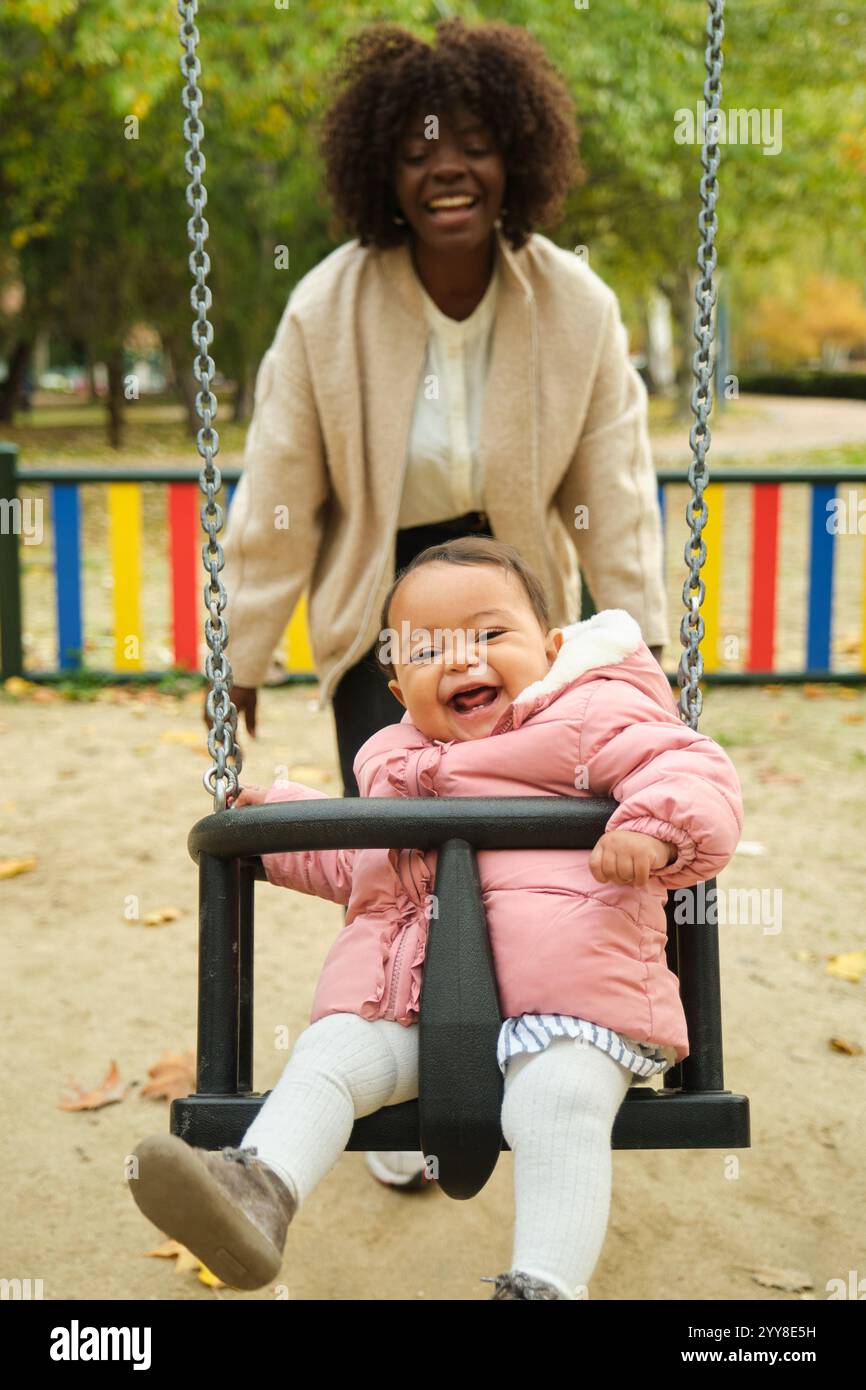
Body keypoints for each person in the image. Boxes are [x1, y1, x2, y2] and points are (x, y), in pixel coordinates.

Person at [208, 20, 671, 1190]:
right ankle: (398, 1083)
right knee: (396, 848)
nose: (446, 166)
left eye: (472, 142)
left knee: (532, 849)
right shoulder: (328, 306)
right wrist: (245, 654)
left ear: (517, 156)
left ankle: (538, 1055)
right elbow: (279, 491)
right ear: (382, 171)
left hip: (515, 598)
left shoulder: (572, 303)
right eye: (417, 150)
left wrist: (644, 640)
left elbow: (611, 490)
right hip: (384, 604)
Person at [136, 538, 743, 1300]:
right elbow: (368, 869)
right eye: (429, 650)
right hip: (420, 1007)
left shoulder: (591, 715)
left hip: (575, 1008)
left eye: (490, 636)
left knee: (553, 1102)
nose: (461, 661)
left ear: (551, 649)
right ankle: (258, 1195)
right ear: (396, 688)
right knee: (331, 1052)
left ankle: (543, 1286)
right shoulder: (391, 762)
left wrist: (652, 827)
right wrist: (290, 830)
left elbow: (694, 771)